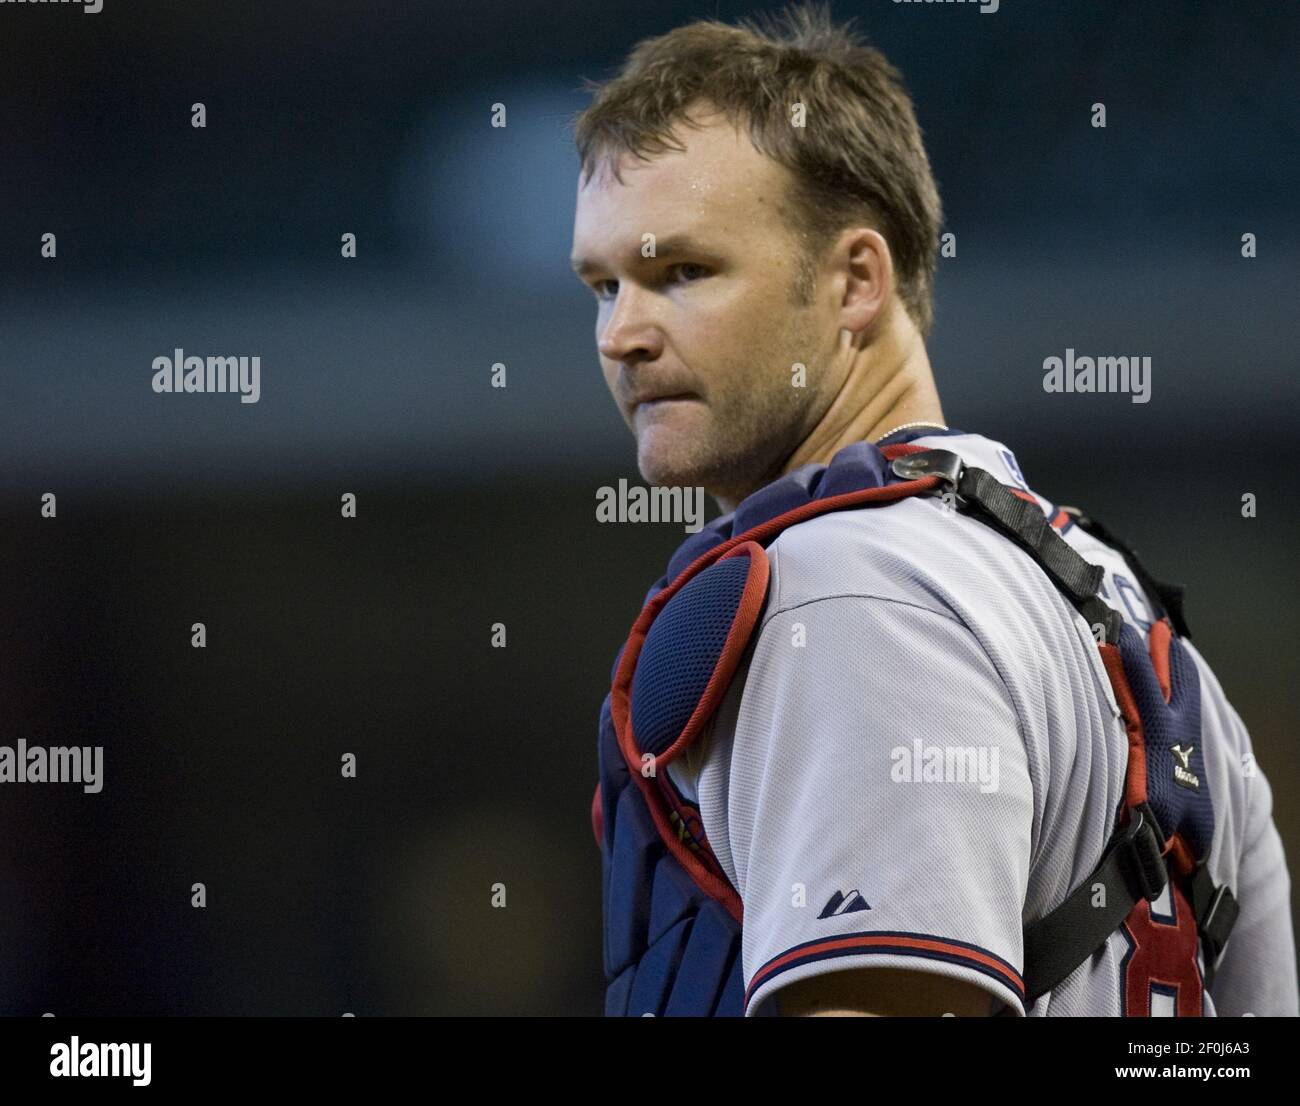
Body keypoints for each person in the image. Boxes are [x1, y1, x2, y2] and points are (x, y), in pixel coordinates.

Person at [569, 4, 1297, 1016]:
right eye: (602, 286)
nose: (622, 334)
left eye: (681, 271)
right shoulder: (1130, 621)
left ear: (856, 280)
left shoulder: (847, 594)